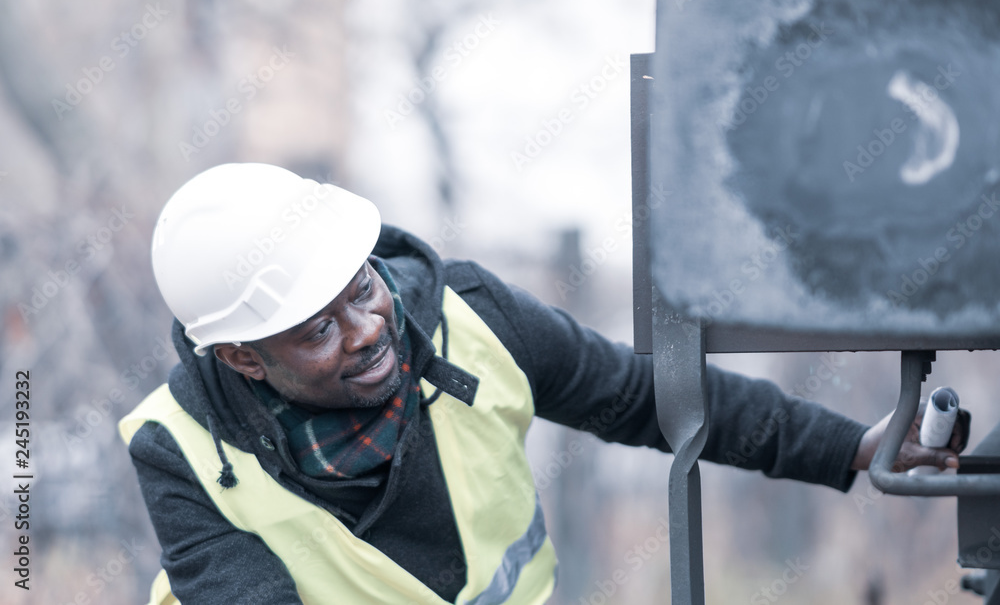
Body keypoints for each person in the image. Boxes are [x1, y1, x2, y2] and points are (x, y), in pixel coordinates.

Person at [119, 162, 967, 605]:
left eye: (362, 289)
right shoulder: (182, 451)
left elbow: (650, 398)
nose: (368, 328)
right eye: (317, 329)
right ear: (241, 359)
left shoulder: (473, 318)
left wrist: (852, 446)